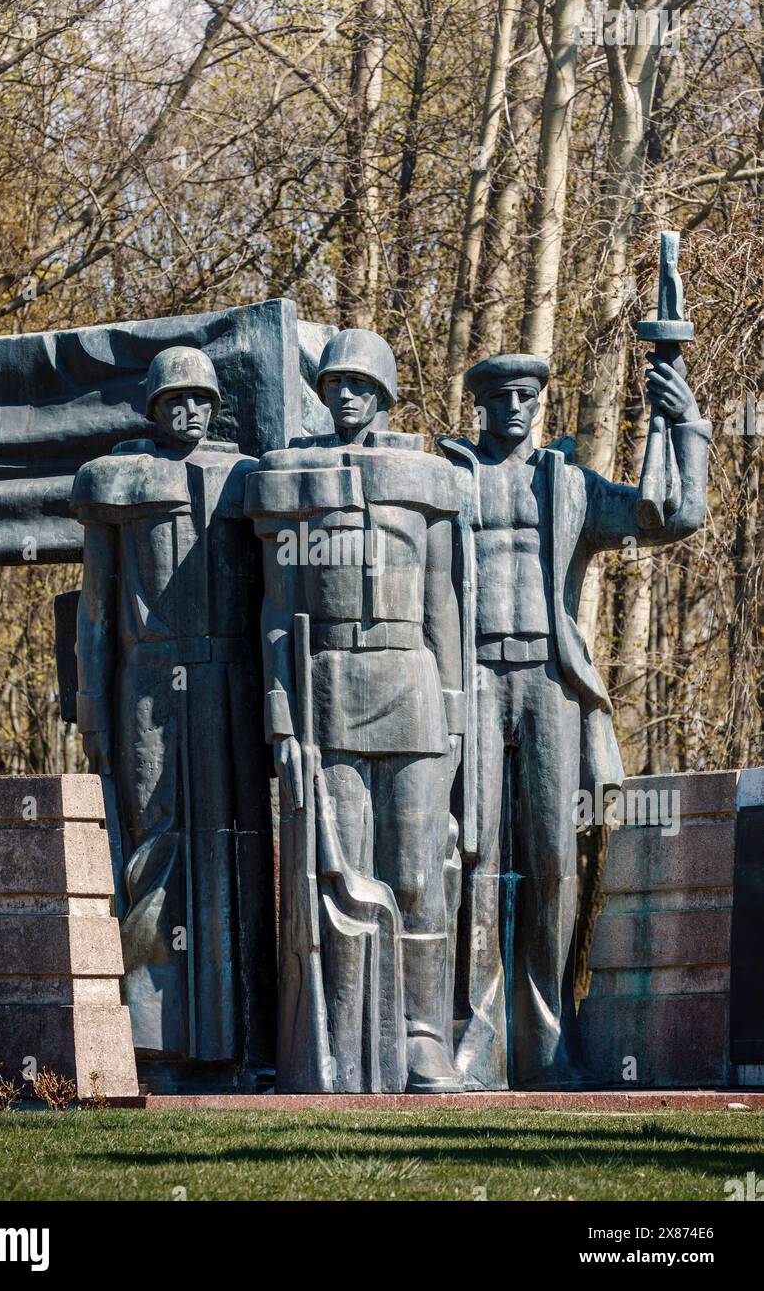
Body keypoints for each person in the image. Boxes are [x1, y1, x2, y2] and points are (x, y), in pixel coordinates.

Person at [440, 351, 711, 1088]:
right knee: (476, 853)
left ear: (541, 401)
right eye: (500, 396)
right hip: (472, 679)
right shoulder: (450, 478)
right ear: (482, 405)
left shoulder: (570, 486)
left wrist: (684, 420)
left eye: (527, 394)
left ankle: (546, 1041)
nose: (515, 407)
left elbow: (674, 515)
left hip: (550, 682)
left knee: (555, 860)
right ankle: (478, 1037)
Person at [247, 328, 465, 1093]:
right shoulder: (294, 477)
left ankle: (422, 1038)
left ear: (383, 392)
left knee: (414, 872)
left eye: (360, 384)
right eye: (335, 382)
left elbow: (445, 606)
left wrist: (458, 716)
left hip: (413, 682)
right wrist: (280, 715)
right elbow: (276, 613)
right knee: (341, 870)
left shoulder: (420, 478)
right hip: (329, 688)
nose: (345, 395)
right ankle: (341, 1037)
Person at [71, 346, 275, 1091]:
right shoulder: (118, 480)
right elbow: (96, 608)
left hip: (232, 678)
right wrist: (93, 700)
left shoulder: (248, 477)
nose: (186, 412)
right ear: (152, 409)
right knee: (154, 844)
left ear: (214, 406)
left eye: (198, 400)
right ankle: (156, 1041)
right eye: (172, 401)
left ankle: (243, 1041)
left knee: (237, 851)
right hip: (150, 680)